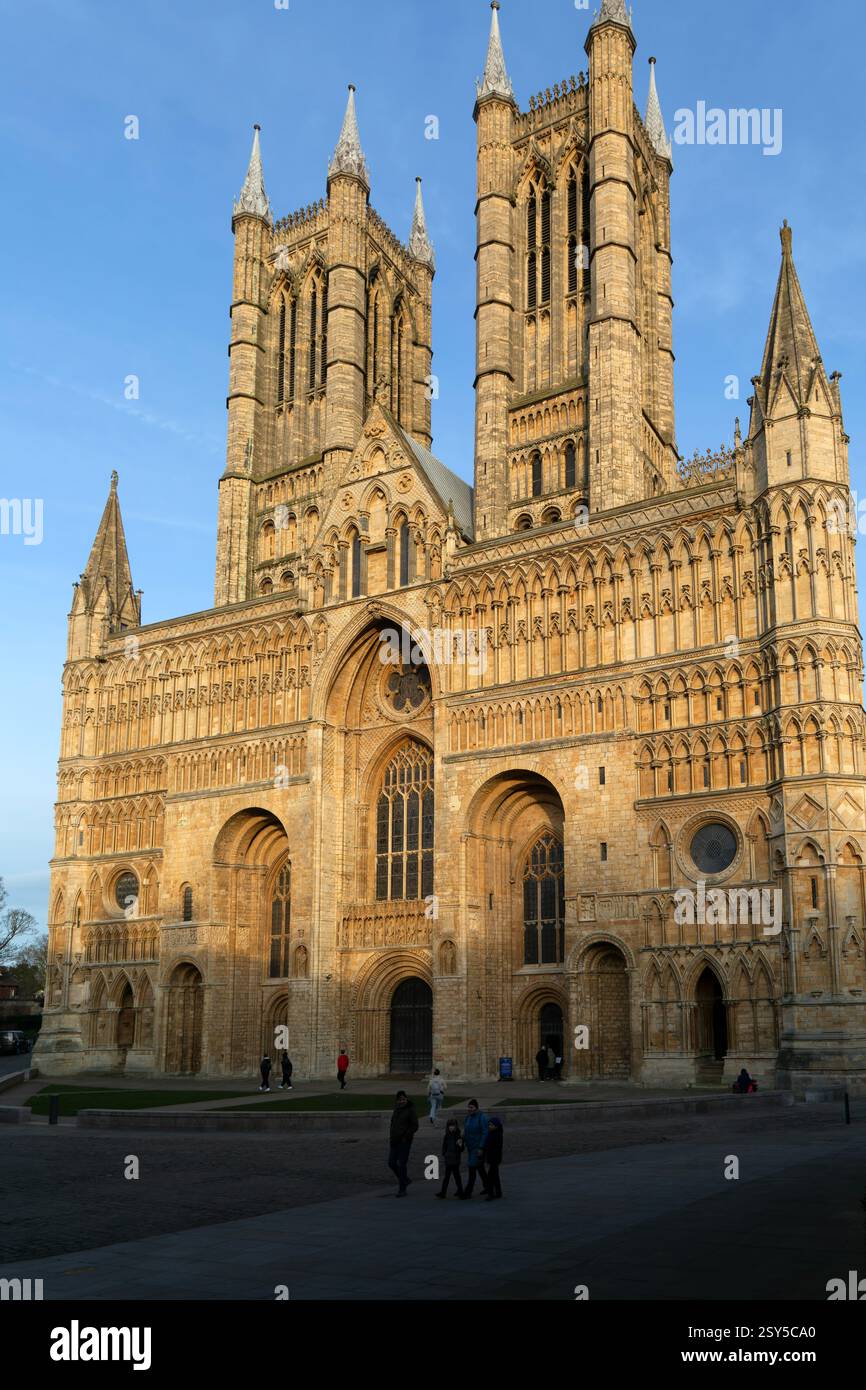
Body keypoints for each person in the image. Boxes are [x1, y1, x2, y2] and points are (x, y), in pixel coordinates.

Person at [388, 1090, 419, 1196]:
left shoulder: (410, 1110)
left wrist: (406, 1136)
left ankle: (402, 1189)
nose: (402, 1101)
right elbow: (393, 1123)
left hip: (404, 1141)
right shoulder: (396, 1109)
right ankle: (405, 1179)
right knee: (391, 1162)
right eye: (400, 1100)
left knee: (402, 1164)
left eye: (403, 1099)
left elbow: (415, 1125)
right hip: (394, 1140)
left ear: (406, 1099)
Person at [461, 1098, 489, 1198]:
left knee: (472, 1167)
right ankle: (488, 1186)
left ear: (476, 1108)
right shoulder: (468, 1118)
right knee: (480, 1168)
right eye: (468, 1107)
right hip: (470, 1146)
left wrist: (481, 1147)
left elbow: (485, 1133)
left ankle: (468, 1191)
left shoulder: (482, 1118)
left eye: (471, 1107)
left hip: (477, 1147)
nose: (469, 1109)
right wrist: (462, 1140)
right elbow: (465, 1131)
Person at [437, 1117, 464, 1199]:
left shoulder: (458, 1136)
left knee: (457, 1176)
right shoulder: (447, 1136)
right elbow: (444, 1146)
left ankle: (460, 1192)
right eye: (450, 1126)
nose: (451, 1127)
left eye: (453, 1126)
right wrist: (444, 1153)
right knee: (447, 1177)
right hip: (448, 1158)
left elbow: (462, 1149)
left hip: (455, 1159)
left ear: (456, 1126)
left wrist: (460, 1145)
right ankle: (443, 1192)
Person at [482, 1116, 504, 1201]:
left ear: (496, 1126)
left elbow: (495, 1148)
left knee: (491, 1177)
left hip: (494, 1158)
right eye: (489, 1125)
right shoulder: (493, 1133)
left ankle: (491, 1193)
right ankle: (498, 1192)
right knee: (495, 1176)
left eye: (491, 1125)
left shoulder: (497, 1135)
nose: (489, 1126)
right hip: (493, 1158)